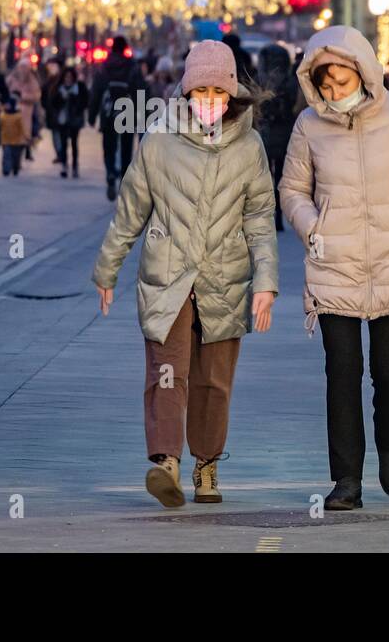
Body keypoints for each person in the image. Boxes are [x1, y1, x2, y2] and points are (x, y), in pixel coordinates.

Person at [92, 40, 278, 508]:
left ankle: (207, 464)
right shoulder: (158, 138)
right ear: (186, 93)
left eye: (219, 92)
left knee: (214, 380)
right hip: (167, 276)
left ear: (232, 93)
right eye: (201, 92)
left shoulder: (250, 146)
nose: (210, 102)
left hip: (225, 278)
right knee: (167, 371)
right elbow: (131, 211)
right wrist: (107, 268)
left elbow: (260, 217)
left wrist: (267, 282)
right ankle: (166, 463)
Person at [281, 25, 389, 510]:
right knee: (341, 370)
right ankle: (346, 480)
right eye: (325, 85)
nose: (334, 93)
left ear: (362, 70)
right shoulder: (308, 127)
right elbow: (292, 190)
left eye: (341, 81)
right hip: (333, 263)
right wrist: (312, 226)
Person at [88, 35, 147, 201]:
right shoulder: (132, 67)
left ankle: (110, 174)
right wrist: (143, 114)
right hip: (127, 110)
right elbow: (140, 89)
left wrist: (92, 115)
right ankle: (123, 178)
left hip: (108, 112)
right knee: (126, 146)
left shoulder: (104, 67)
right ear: (125, 48)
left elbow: (96, 91)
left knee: (109, 146)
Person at [257, 44, 299, 232]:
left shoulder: (260, 81)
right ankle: (279, 216)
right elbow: (295, 105)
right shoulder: (290, 81)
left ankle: (267, 213)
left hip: (265, 132)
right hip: (285, 131)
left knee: (264, 176)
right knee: (281, 175)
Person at [50, 66, 88, 178]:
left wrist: (75, 103)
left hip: (74, 119)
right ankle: (64, 165)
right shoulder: (58, 88)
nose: (68, 79)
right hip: (62, 119)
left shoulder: (79, 88)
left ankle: (75, 166)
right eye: (66, 77)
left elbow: (85, 101)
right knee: (63, 143)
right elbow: (52, 102)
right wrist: (61, 98)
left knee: (74, 143)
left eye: (70, 77)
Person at [5, 59, 42, 161]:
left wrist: (23, 97)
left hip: (26, 110)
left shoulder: (32, 80)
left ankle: (21, 154)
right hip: (11, 111)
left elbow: (36, 95)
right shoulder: (12, 78)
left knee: (24, 134)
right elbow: (5, 90)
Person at [41, 57, 66, 164]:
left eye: (53, 66)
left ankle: (61, 153)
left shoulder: (63, 80)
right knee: (55, 134)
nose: (50, 68)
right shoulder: (48, 81)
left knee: (60, 134)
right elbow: (44, 96)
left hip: (61, 111)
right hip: (51, 112)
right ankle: (60, 154)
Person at [0, 95, 28, 176]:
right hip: (5, 139)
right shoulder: (2, 115)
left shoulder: (18, 116)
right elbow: (0, 126)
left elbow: (22, 128)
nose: (7, 106)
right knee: (6, 155)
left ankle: (15, 168)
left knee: (16, 156)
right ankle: (6, 169)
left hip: (16, 140)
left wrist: (25, 136)